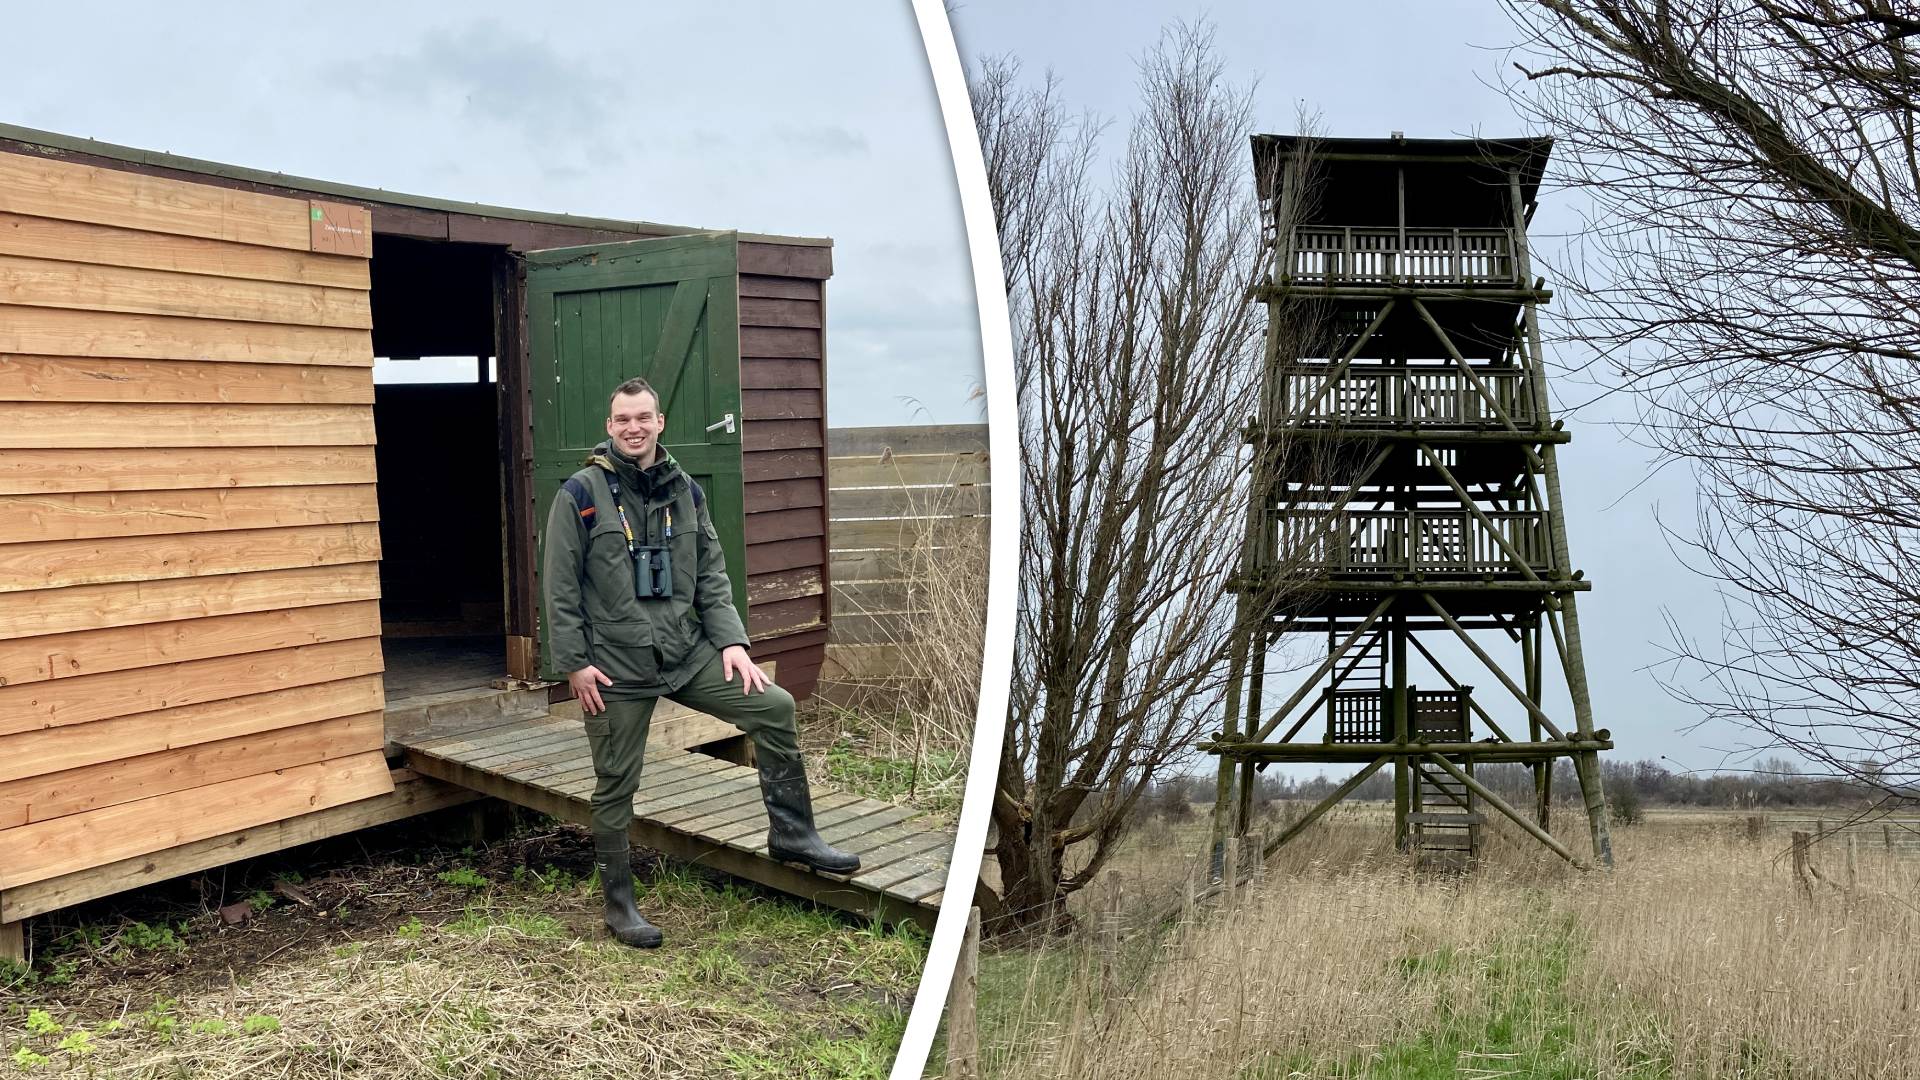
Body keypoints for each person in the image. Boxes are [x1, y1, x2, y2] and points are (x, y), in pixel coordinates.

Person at [542, 376, 859, 949]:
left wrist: (731, 642)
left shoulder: (685, 491)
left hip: (686, 653)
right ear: (609, 426)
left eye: (643, 417)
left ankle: (793, 835)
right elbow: (560, 586)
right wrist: (574, 664)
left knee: (774, 707)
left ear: (659, 422)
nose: (634, 428)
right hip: (615, 668)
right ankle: (620, 906)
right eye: (623, 420)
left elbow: (711, 571)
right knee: (615, 783)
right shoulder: (581, 494)